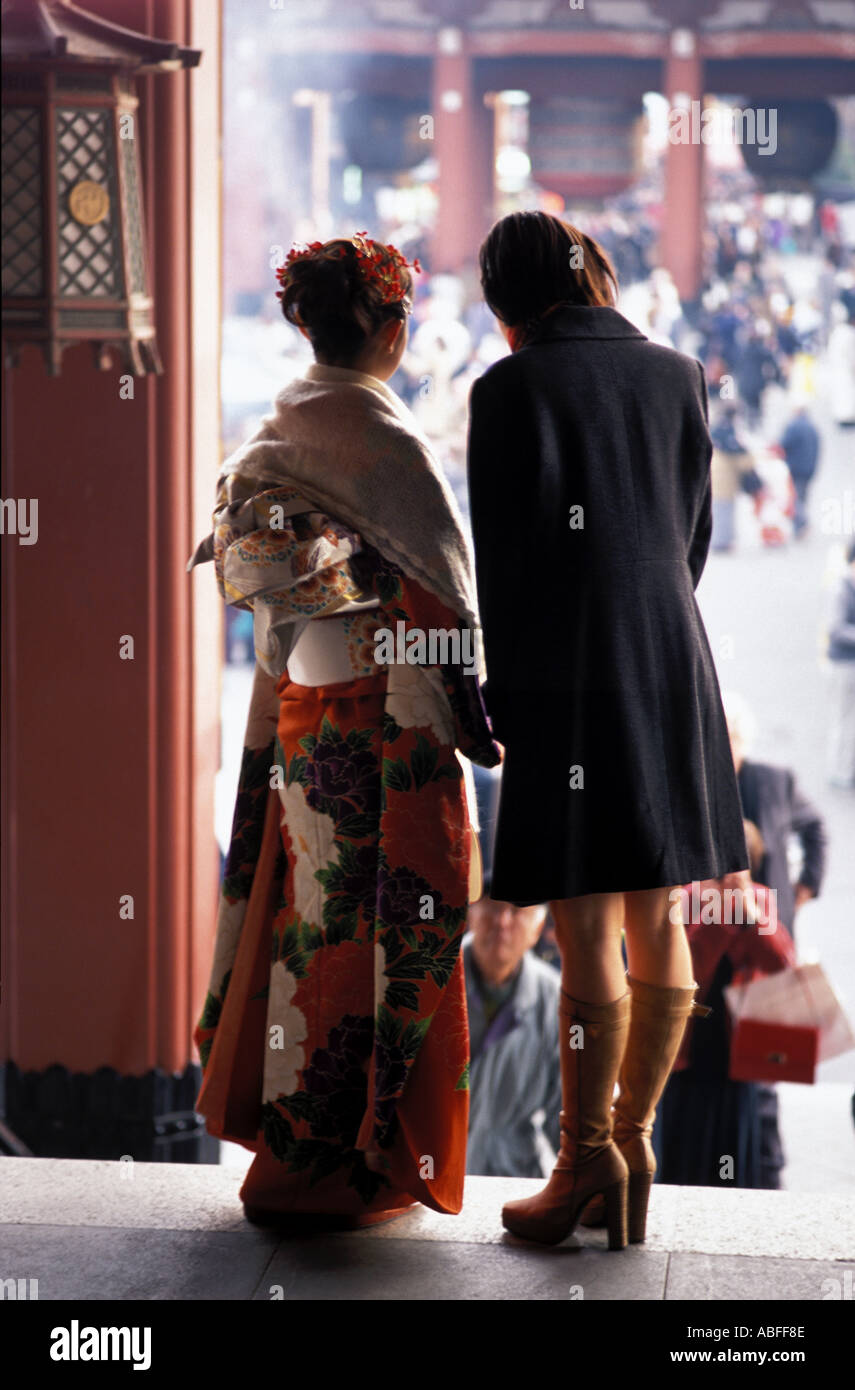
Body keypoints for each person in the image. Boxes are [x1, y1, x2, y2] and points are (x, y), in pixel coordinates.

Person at [188, 233, 500, 1229]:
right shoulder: (391, 448)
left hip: (300, 726)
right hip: (376, 734)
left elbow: (254, 575)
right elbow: (450, 607)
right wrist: (479, 722)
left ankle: (302, 1150)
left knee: (308, 932)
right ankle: (352, 1165)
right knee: (374, 941)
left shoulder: (272, 434)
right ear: (394, 331)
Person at [467, 211, 749, 1250]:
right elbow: (694, 535)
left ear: (509, 306)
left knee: (584, 926)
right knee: (657, 914)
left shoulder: (510, 390)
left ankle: (587, 1160)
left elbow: (505, 563)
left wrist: (495, 696)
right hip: (673, 660)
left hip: (569, 671)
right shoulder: (679, 373)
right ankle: (633, 1143)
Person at [650, 828, 797, 1190]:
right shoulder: (685, 899)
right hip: (686, 1056)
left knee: (733, 1166)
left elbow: (782, 965)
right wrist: (717, 916)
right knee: (682, 1161)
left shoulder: (759, 901)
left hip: (737, 1061)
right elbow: (683, 971)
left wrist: (745, 912)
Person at [723, 691, 828, 1186]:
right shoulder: (691, 772)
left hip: (766, 930)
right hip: (715, 931)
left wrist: (806, 888)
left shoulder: (772, 781)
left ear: (744, 740)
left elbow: (817, 830)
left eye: (730, 738)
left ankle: (765, 1170)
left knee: (765, 1063)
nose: (721, 747)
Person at [463, 889, 562, 1177]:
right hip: (435, 1170)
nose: (502, 921)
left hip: (516, 1177)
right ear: (470, 914)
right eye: (492, 907)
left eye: (518, 910)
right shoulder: (434, 982)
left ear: (538, 928)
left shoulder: (555, 998)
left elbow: (568, 1111)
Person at [826, 539, 855, 788]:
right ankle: (840, 770)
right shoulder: (843, 589)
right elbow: (835, 629)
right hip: (844, 664)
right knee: (844, 719)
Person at [777, 404, 820, 538]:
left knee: (794, 498)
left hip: (795, 468)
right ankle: (798, 529)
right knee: (802, 497)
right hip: (809, 469)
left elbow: (783, 444)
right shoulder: (813, 428)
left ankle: (802, 522)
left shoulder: (793, 427)